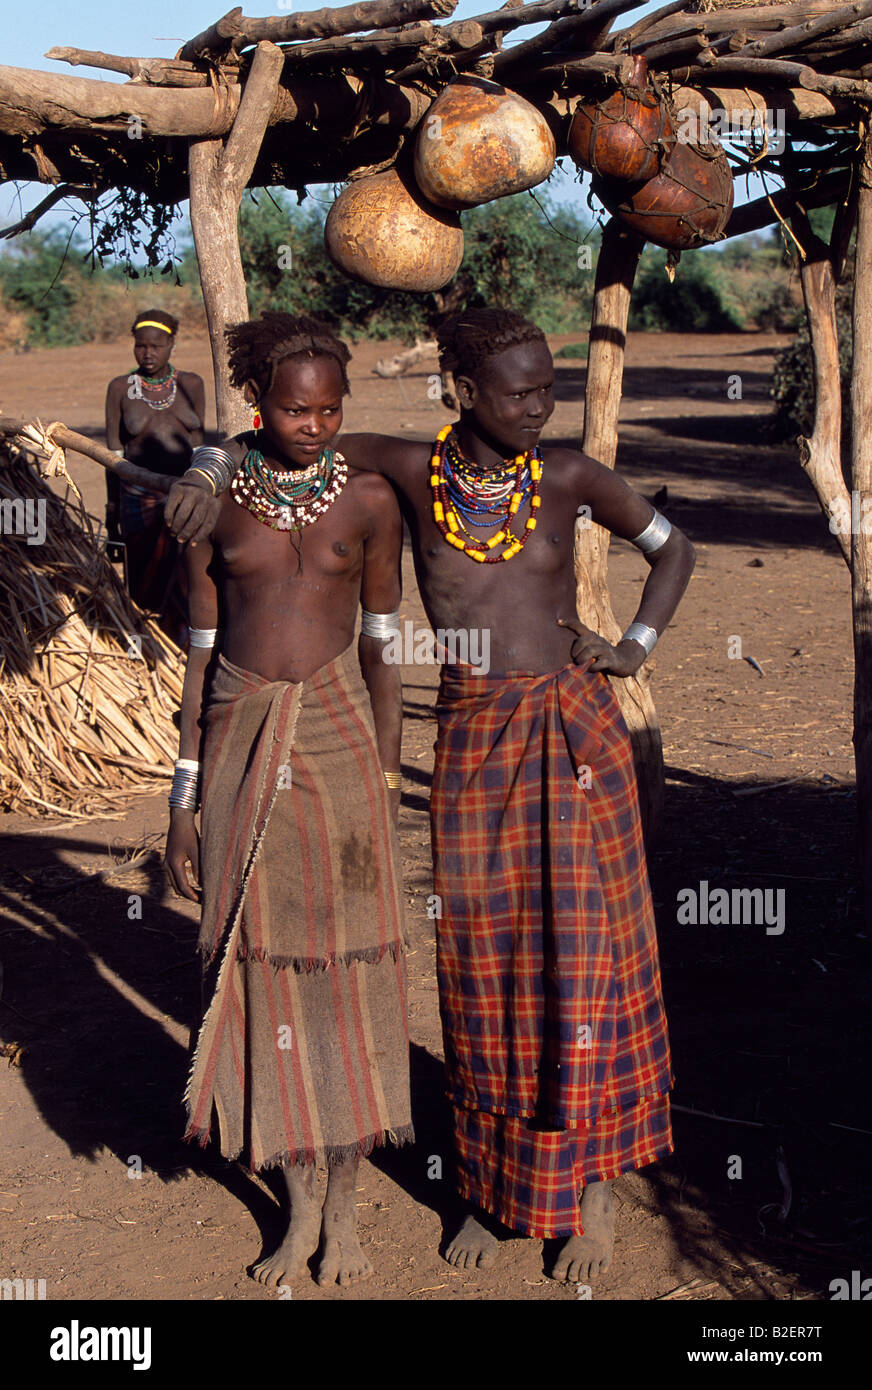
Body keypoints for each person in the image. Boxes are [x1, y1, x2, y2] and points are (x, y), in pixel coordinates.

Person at [165, 307, 694, 1285]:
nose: (539, 407)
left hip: (570, 733)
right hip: (471, 736)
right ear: (460, 391)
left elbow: (673, 550)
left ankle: (592, 1202)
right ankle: (496, 1195)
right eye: (518, 391)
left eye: (549, 389)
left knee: (581, 963)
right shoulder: (408, 469)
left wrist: (630, 647)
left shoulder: (571, 476)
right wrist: (200, 470)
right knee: (485, 972)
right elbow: (279, 437)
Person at [163, 312, 411, 1290]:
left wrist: (385, 771)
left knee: (348, 968)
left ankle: (345, 1202)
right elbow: (195, 656)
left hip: (342, 742)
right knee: (257, 965)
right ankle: (296, 1200)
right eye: (292, 407)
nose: (312, 425)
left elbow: (385, 643)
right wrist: (180, 799)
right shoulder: (215, 508)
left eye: (328, 409)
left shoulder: (368, 502)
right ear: (258, 405)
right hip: (236, 738)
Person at [105, 309, 206, 640]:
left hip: (185, 499)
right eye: (140, 346)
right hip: (136, 501)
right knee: (142, 583)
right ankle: (145, 647)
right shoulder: (120, 388)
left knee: (189, 579)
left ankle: (181, 650)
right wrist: (112, 517)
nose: (147, 354)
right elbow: (113, 457)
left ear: (172, 344)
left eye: (156, 346)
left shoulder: (191, 384)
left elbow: (199, 450)